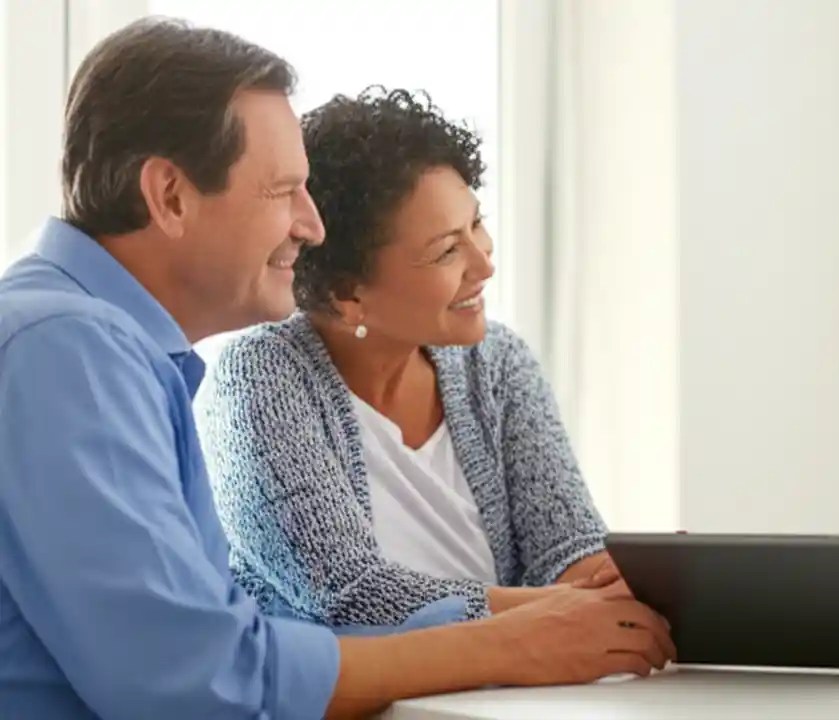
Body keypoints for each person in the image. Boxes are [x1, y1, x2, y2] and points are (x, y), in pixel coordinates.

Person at [0, 18, 672, 720]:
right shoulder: (67, 349)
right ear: (170, 196)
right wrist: (507, 643)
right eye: (282, 191)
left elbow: (219, 649)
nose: (312, 227)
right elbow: (203, 681)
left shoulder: (103, 350)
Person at [195, 86, 617, 629]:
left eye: (476, 225)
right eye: (446, 250)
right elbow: (352, 598)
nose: (483, 263)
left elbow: (569, 552)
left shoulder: (497, 362)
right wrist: (557, 610)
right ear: (349, 295)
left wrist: (635, 582)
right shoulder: (259, 378)